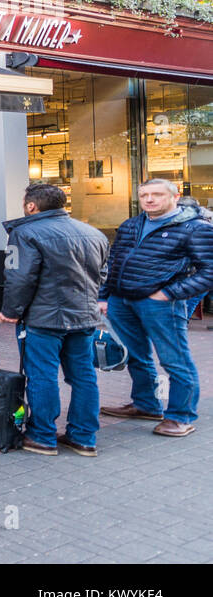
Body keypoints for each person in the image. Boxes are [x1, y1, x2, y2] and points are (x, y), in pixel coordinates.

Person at [0, 183, 110, 455]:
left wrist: (11, 312)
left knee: (42, 376)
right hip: (84, 317)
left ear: (31, 206)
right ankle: (84, 438)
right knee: (83, 376)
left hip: (43, 319)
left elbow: (19, 278)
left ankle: (42, 436)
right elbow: (103, 274)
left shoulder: (25, 232)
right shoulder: (93, 233)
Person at [98, 178, 213, 438]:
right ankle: (146, 405)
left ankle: (180, 417)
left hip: (161, 304)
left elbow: (210, 271)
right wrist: (104, 296)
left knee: (174, 359)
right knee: (136, 355)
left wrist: (168, 294)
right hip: (121, 300)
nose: (150, 199)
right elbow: (113, 261)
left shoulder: (195, 228)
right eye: (144, 195)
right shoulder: (131, 225)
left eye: (157, 194)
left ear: (175, 196)